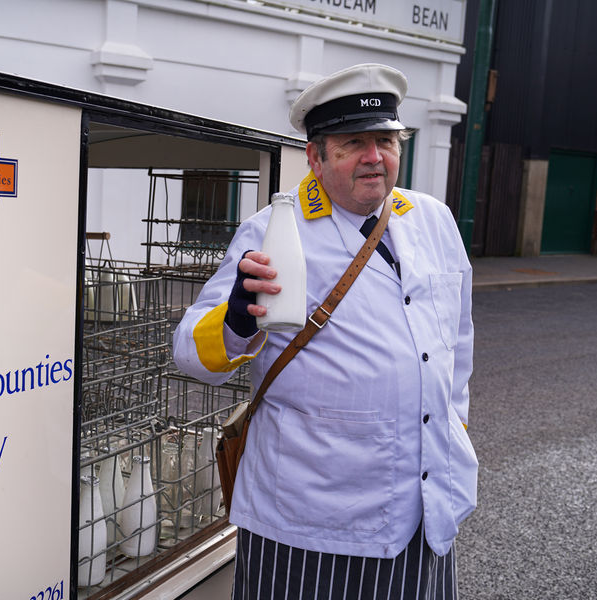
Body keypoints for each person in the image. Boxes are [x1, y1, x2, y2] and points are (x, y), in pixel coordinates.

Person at [172, 64, 477, 599]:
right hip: (311, 519)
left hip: (424, 506)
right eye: (352, 143)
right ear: (315, 157)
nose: (374, 157)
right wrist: (239, 319)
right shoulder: (274, 230)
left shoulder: (433, 220)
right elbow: (189, 354)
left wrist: (452, 427)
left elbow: (458, 340)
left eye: (385, 139)